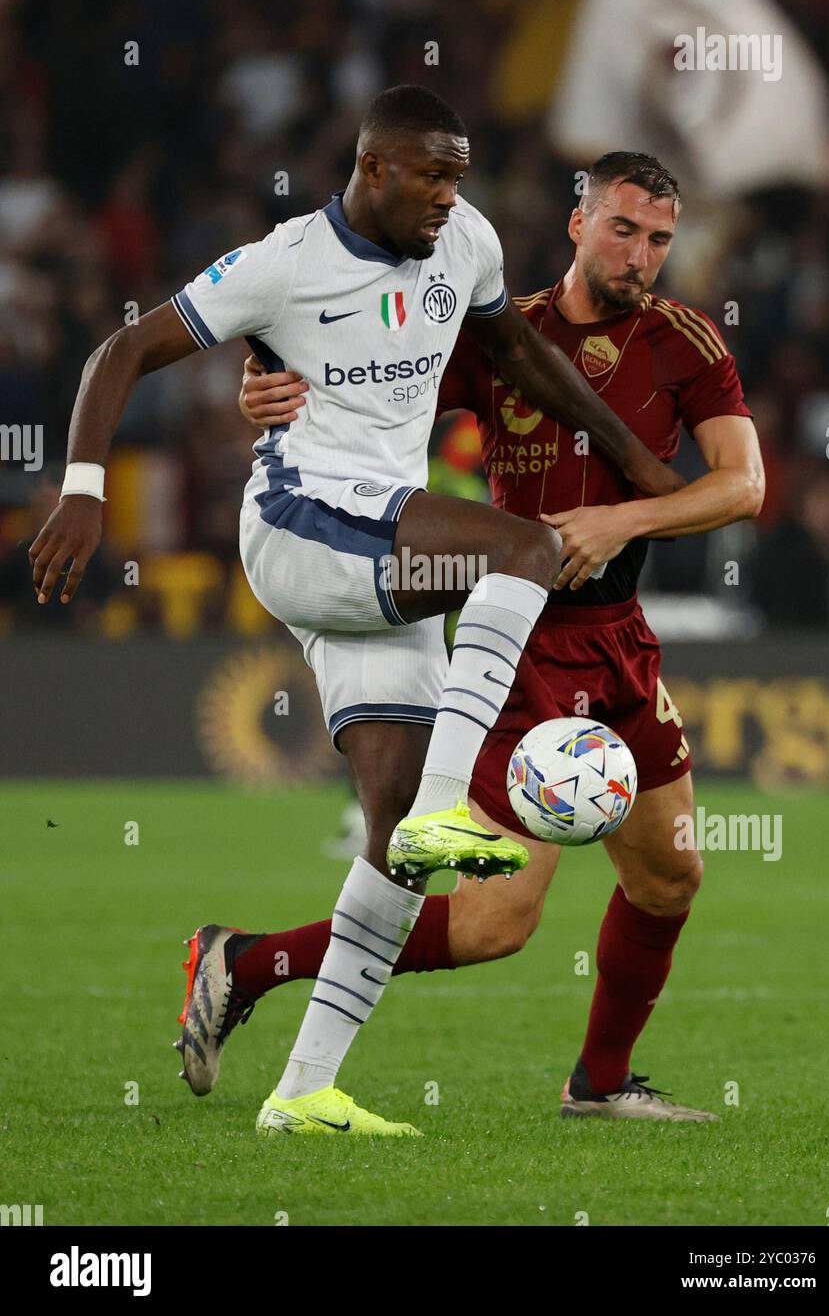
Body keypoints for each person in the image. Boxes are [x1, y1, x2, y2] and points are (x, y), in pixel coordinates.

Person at [29, 91, 679, 1138]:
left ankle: (302, 1090)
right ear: (372, 167)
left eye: (457, 175)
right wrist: (85, 487)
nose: (447, 196)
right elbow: (122, 352)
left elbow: (516, 354)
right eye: (429, 174)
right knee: (525, 545)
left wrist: (632, 456)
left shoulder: (461, 241)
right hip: (302, 526)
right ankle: (443, 804)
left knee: (392, 850)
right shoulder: (279, 264)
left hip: (383, 548)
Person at [190, 151, 764, 1124]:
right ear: (577, 221)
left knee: (669, 873)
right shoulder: (502, 333)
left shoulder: (683, 342)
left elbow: (740, 485)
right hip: (522, 645)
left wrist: (617, 523)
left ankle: (599, 1082)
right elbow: (361, 378)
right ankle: (246, 959)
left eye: (659, 238)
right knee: (498, 922)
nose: (639, 255)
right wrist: (270, 387)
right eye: (622, 228)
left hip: (621, 639)